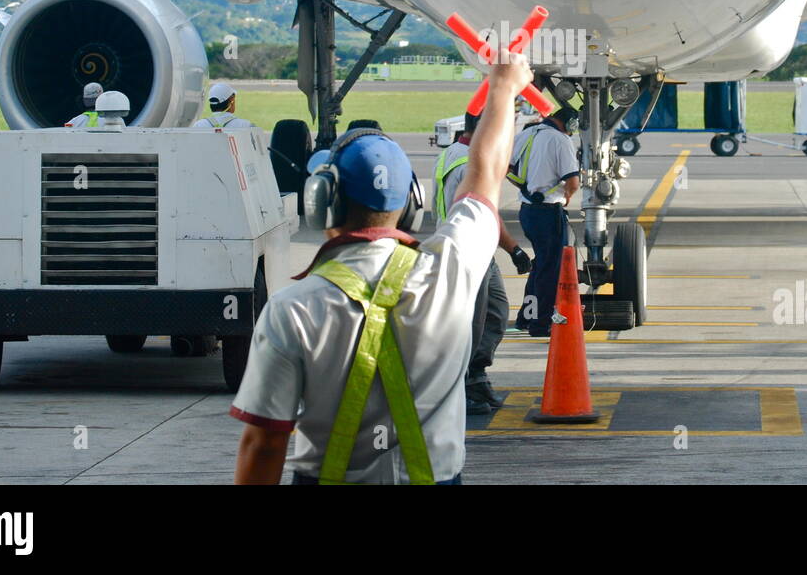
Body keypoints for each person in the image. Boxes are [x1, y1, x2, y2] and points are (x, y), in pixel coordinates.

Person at [230, 52, 533, 485]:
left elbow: (264, 443)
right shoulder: (450, 270)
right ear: (412, 203)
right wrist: (504, 89)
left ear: (323, 201)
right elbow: (485, 177)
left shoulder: (291, 309)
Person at [433, 111, 533, 415]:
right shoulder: (469, 166)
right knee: (472, 323)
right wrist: (514, 249)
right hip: (466, 249)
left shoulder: (456, 153)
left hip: (475, 248)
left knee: (495, 312)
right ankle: (461, 386)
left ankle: (475, 376)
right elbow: (482, 212)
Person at [508, 105, 580, 337]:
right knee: (551, 269)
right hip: (548, 212)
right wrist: (567, 197)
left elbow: (507, 168)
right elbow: (573, 181)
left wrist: (529, 190)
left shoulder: (529, 133)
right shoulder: (561, 140)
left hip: (527, 209)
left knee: (540, 265)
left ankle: (526, 317)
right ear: (569, 124)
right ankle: (542, 323)